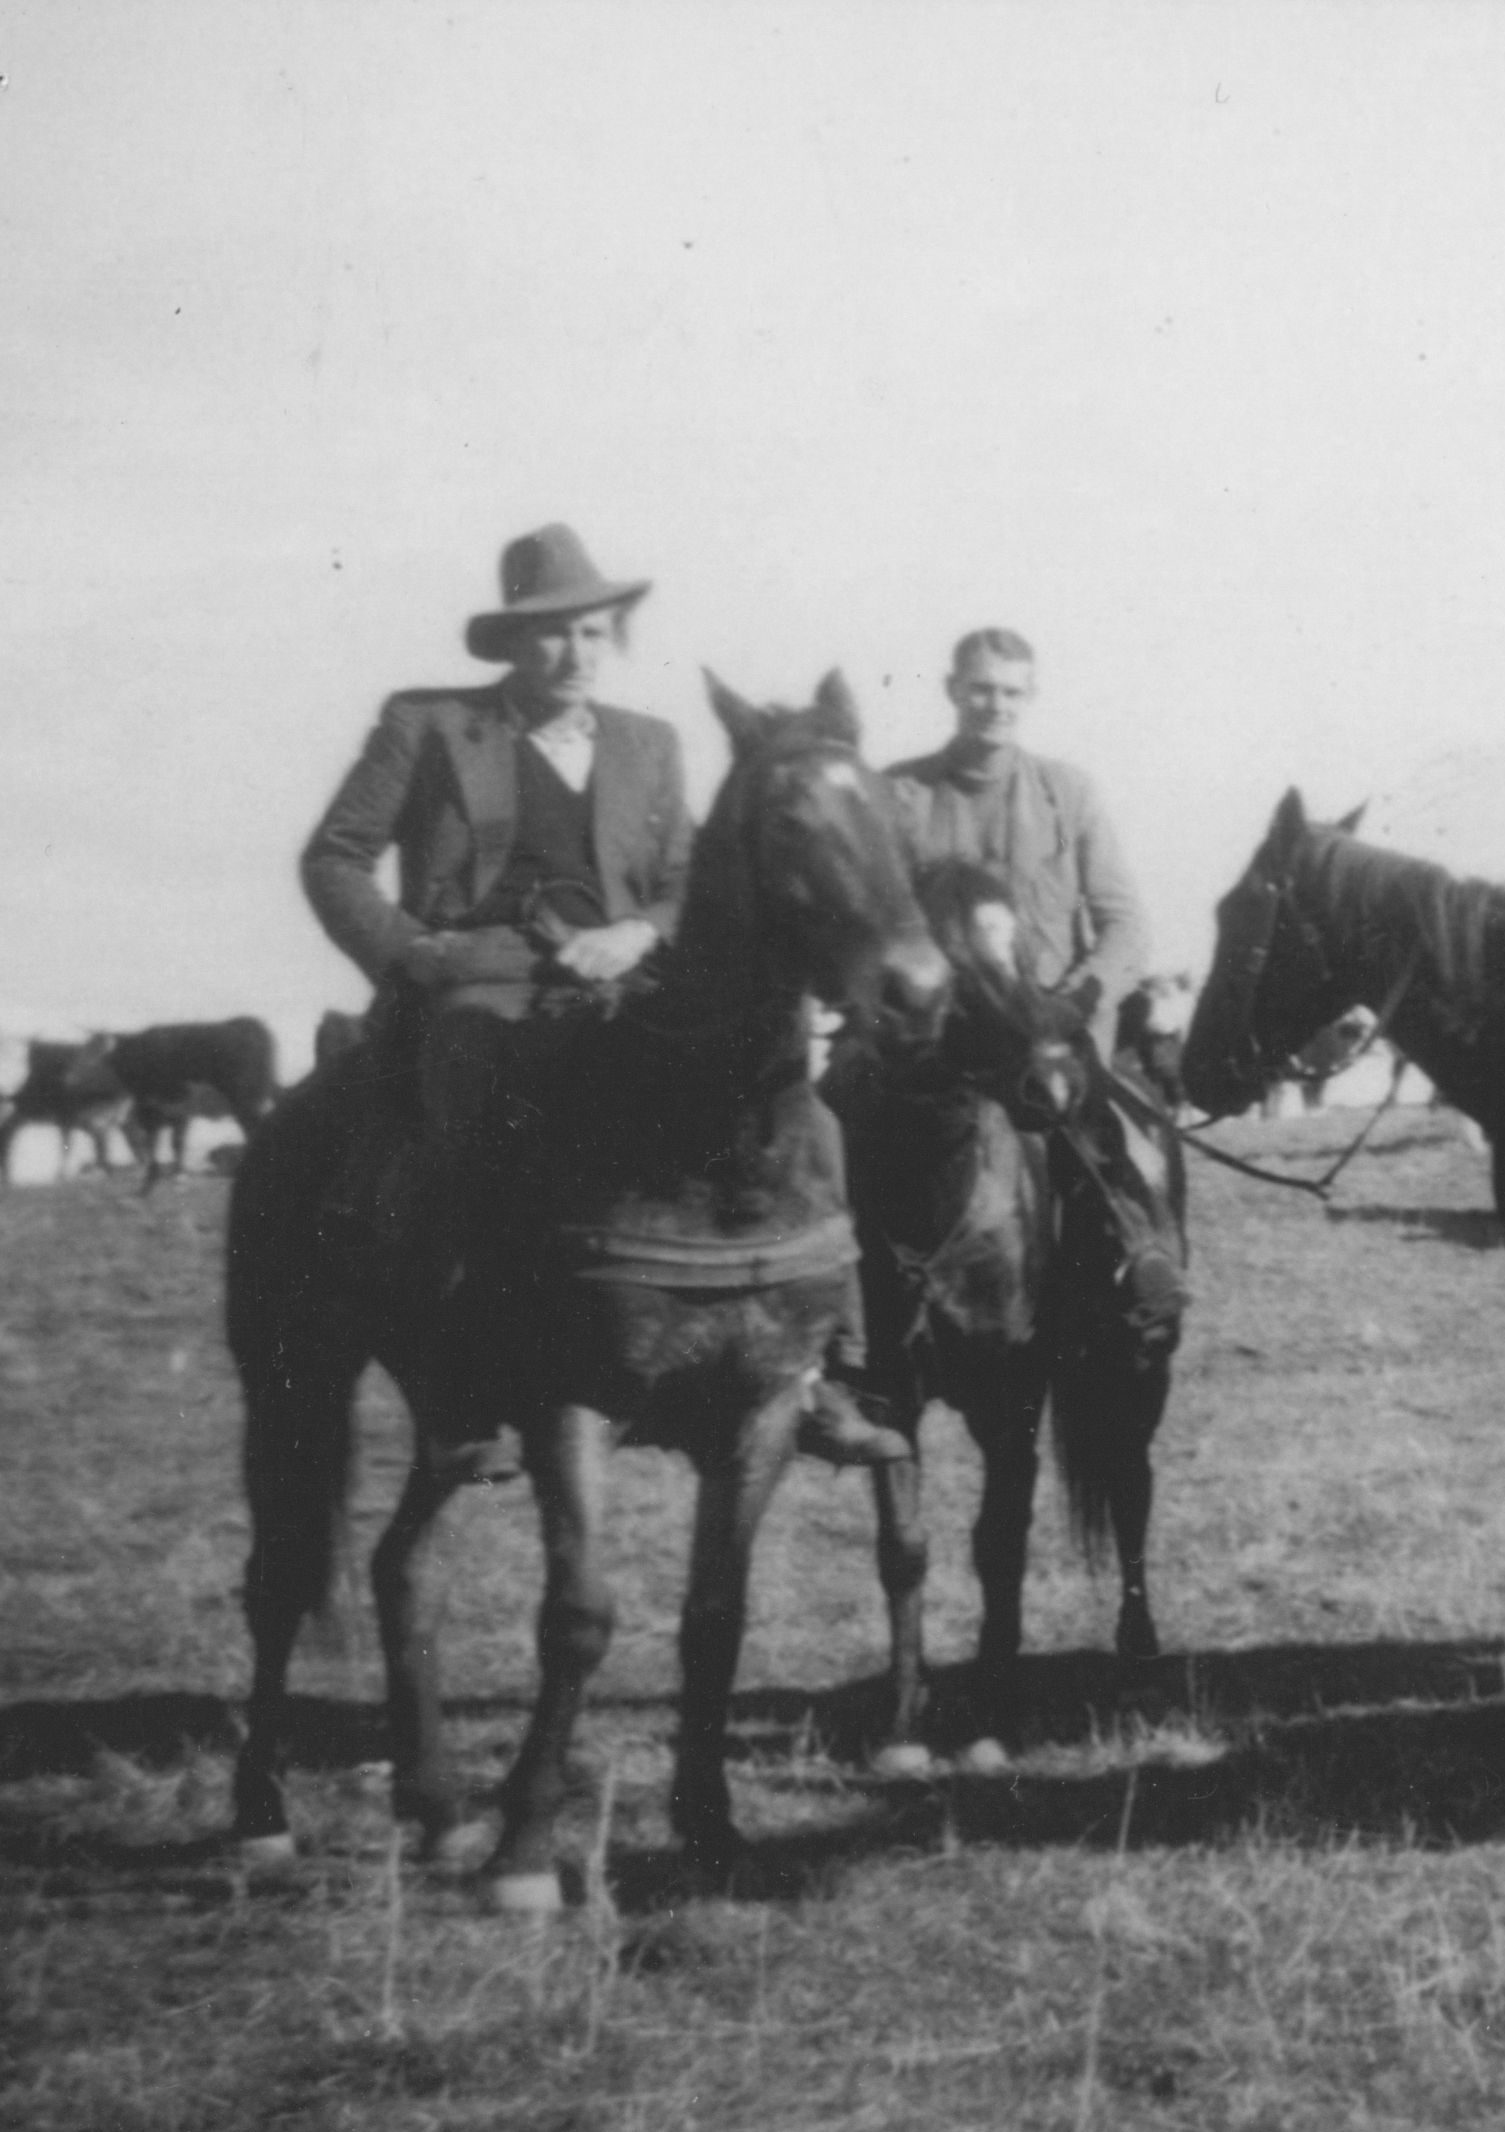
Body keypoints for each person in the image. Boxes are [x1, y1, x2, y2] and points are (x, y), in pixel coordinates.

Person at [300, 522, 907, 1464]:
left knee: (802, 1118)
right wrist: (412, 953)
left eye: (592, 633)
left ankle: (825, 1370)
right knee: (474, 1099)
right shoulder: (424, 723)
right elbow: (335, 859)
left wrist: (636, 932)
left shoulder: (649, 743)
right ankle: (464, 1380)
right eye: (552, 634)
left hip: (627, 982)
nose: (577, 654)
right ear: (510, 642)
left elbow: (683, 879)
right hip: (479, 984)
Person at [874, 628, 1182, 1332]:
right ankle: (843, 1340)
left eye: (1011, 691)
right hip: (940, 1041)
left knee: (1116, 1139)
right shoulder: (900, 795)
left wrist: (1077, 1000)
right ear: (953, 689)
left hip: (1050, 1034)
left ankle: (1139, 1265)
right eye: (981, 688)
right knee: (840, 1119)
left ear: (1030, 698)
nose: (995, 705)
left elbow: (1124, 922)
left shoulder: (1066, 793)